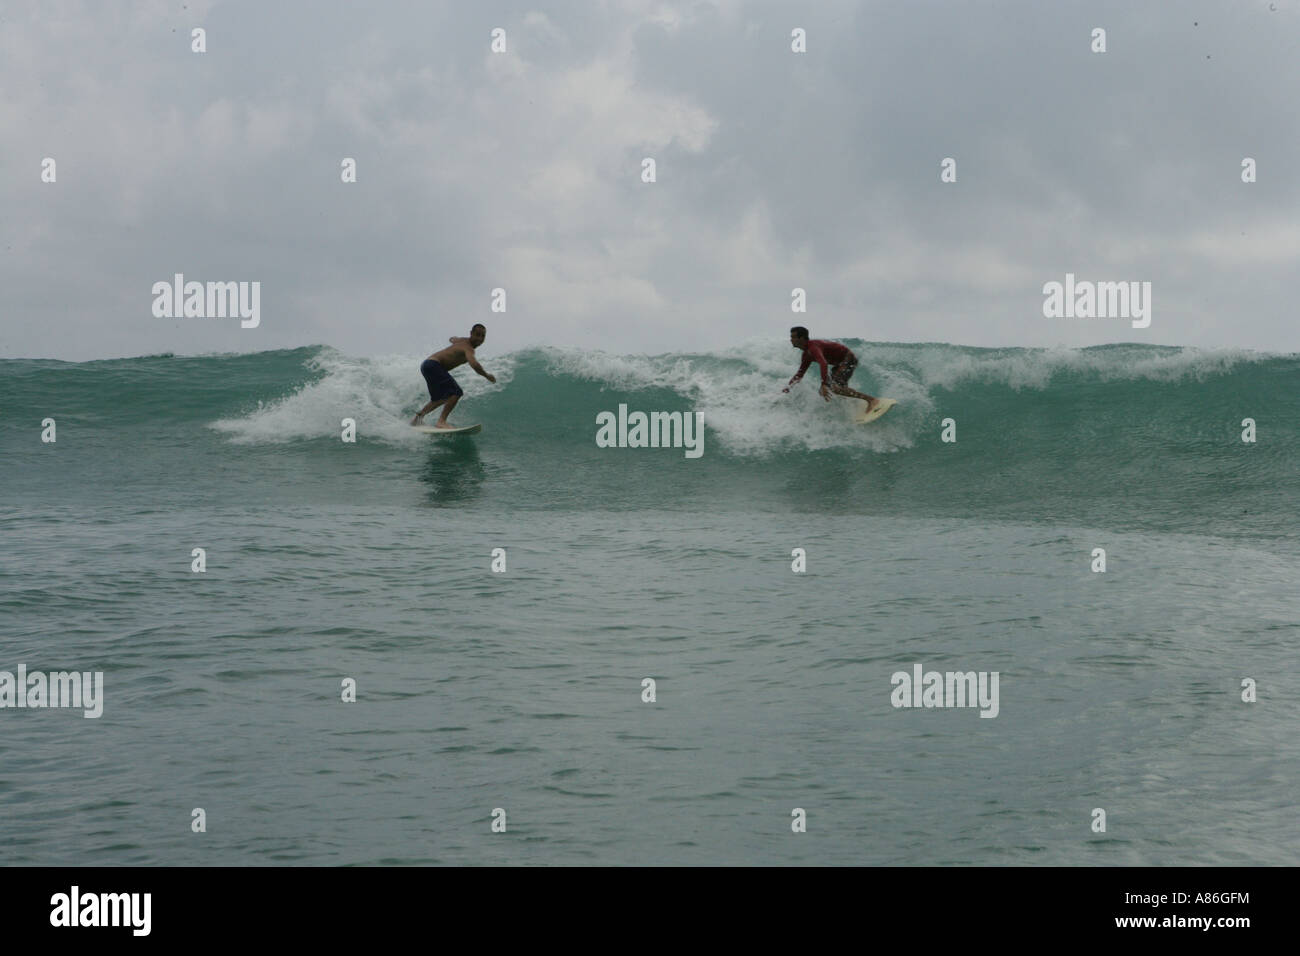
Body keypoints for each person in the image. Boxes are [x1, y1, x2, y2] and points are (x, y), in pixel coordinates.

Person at [411, 323, 496, 428]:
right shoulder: (469, 348)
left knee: (439, 399)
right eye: (477, 335)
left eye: (483, 336)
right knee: (456, 392)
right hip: (434, 365)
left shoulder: (462, 341)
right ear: (471, 334)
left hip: (427, 365)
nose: (480, 338)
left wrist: (453, 339)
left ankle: (417, 419)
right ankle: (441, 422)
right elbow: (474, 364)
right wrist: (487, 375)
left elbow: (453, 339)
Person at [783, 326, 880, 412]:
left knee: (834, 388)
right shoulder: (806, 355)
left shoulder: (813, 347)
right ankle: (855, 403)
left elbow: (823, 363)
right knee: (831, 390)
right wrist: (786, 390)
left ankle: (871, 400)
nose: (791, 339)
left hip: (848, 359)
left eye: (793, 337)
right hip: (839, 365)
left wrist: (824, 384)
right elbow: (799, 375)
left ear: (802, 338)